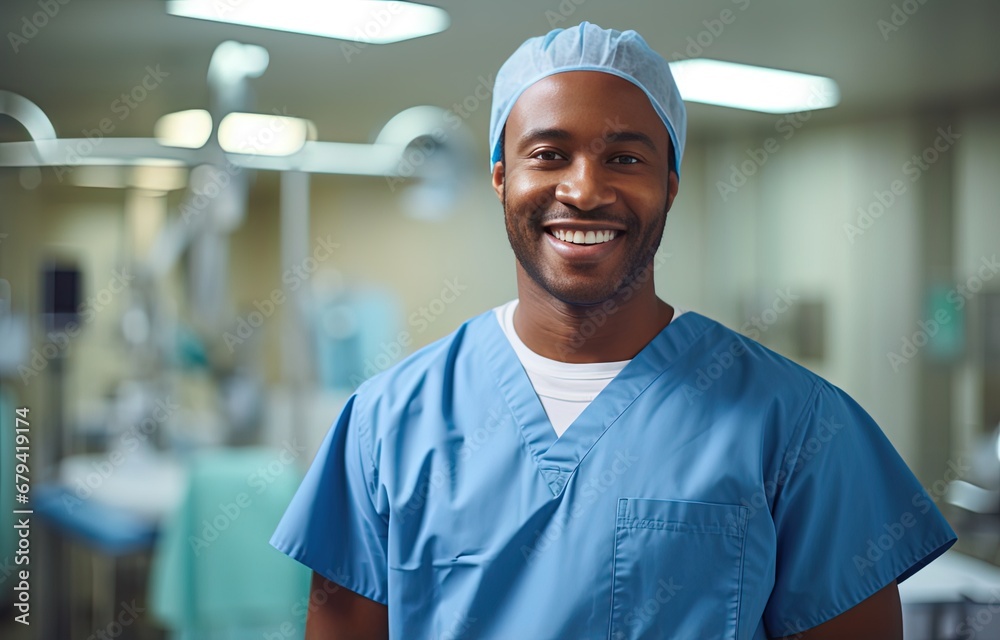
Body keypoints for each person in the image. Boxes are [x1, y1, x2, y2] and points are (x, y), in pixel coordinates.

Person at [271, 22, 957, 639]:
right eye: (548, 154)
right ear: (500, 177)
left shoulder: (799, 427)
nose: (585, 190)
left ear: (672, 181)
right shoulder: (386, 423)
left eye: (625, 158)